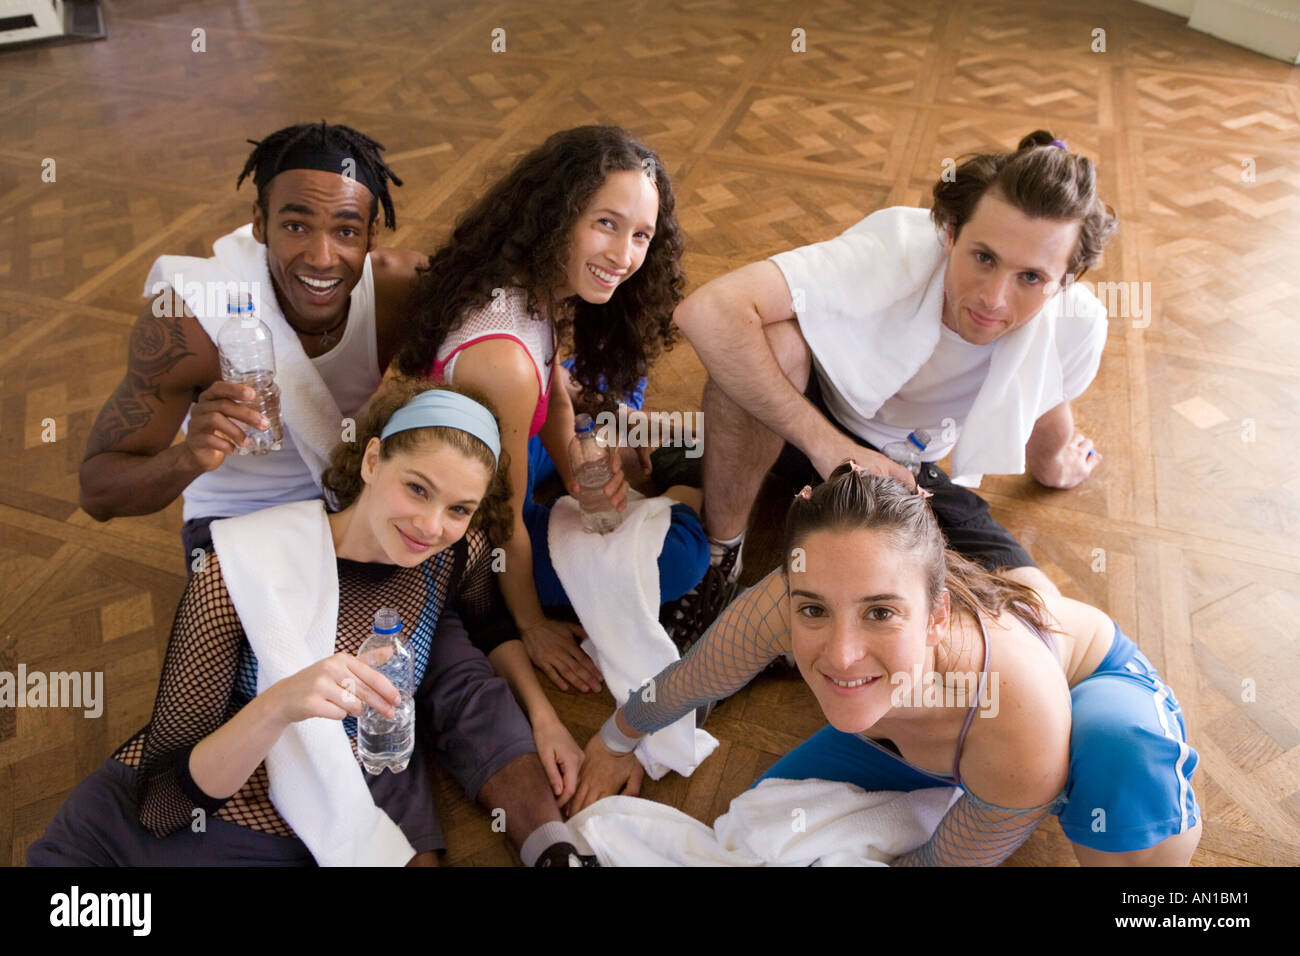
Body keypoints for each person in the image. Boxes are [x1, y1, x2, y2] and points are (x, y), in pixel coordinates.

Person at [31, 380, 593, 867]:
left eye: (458, 507)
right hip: (141, 837)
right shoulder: (237, 569)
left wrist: (543, 719)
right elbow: (162, 807)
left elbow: (488, 629)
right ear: (372, 461)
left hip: (306, 835)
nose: (429, 524)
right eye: (417, 488)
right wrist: (279, 704)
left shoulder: (452, 552)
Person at [571, 464, 1202, 866]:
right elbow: (689, 681)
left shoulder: (1018, 708)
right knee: (765, 827)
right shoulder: (780, 602)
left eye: (880, 613)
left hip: (1077, 689)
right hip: (935, 735)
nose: (841, 654)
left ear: (935, 615)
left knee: (1141, 848)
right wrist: (617, 738)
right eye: (814, 611)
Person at [672, 129, 1120, 628]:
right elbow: (707, 311)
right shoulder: (895, 245)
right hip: (806, 416)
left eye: (1031, 277)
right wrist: (825, 445)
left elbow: (1041, 394)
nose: (994, 299)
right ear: (950, 232)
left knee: (1031, 603)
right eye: (984, 257)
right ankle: (719, 556)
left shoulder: (1078, 323)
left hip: (906, 468)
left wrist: (1054, 464)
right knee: (773, 341)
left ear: (1065, 280)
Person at [397, 125, 710, 694]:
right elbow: (500, 521)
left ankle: (624, 434)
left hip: (512, 439)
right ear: (556, 215)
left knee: (615, 375)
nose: (624, 256)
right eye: (606, 224)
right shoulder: (505, 363)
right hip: (468, 524)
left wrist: (579, 475)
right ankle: (680, 467)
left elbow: (556, 388)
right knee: (684, 557)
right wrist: (532, 628)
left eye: (641, 235)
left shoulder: (527, 281)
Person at [78, 121, 428, 571]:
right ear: (260, 223)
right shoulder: (189, 318)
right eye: (296, 226)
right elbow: (97, 493)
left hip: (355, 505)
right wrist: (189, 456)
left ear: (372, 233)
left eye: (345, 231)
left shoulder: (399, 290)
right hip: (238, 517)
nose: (322, 258)